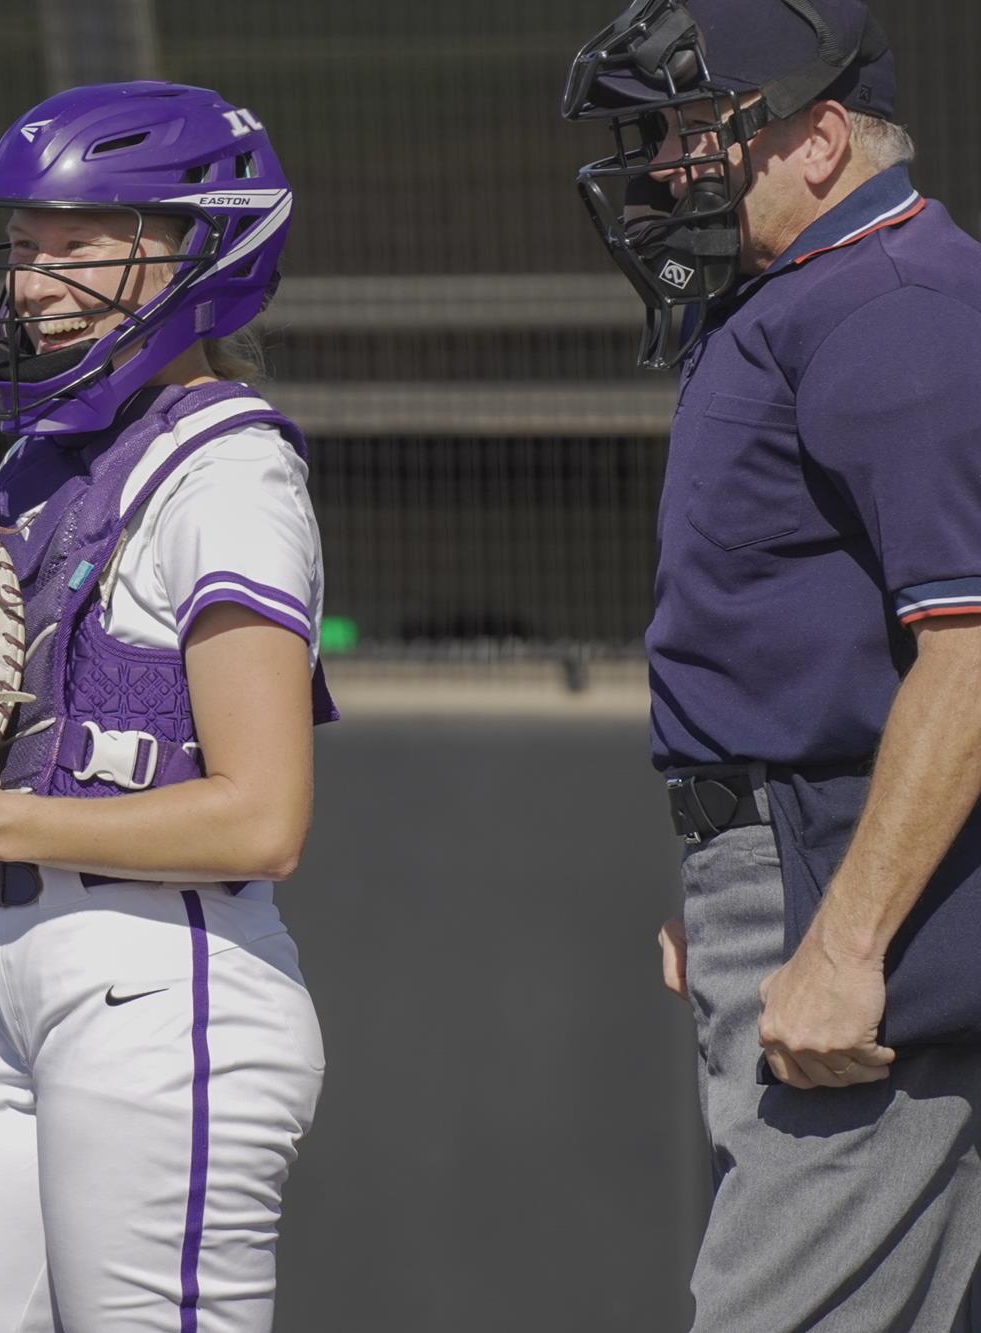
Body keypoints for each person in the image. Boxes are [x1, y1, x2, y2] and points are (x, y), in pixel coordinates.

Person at [0, 81, 335, 1331]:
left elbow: (260, 820)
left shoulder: (228, 471)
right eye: (26, 248)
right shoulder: (50, 464)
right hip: (21, 987)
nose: (36, 284)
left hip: (165, 990)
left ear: (206, 246)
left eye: (83, 246)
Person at [563, 1, 981, 1327]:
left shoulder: (893, 299)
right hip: (809, 858)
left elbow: (969, 655)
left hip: (867, 887)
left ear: (822, 138)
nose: (673, 162)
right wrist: (735, 859)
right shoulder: (821, 291)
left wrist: (841, 935)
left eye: (705, 127)